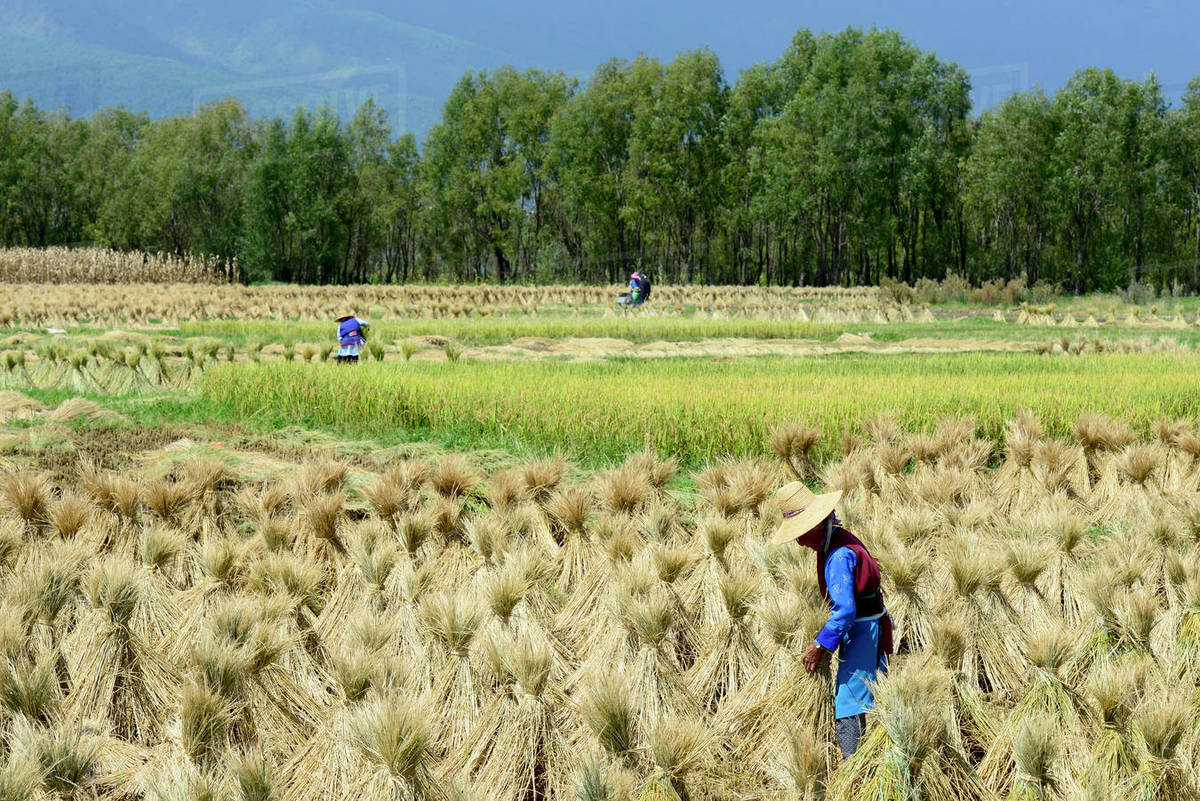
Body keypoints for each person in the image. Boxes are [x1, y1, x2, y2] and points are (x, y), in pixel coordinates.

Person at [771, 480, 892, 759]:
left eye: (801, 533)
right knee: (866, 697)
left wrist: (820, 645)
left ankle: (855, 767)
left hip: (864, 630)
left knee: (849, 703)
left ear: (815, 526)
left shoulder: (838, 555)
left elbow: (846, 610)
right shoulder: (834, 539)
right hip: (866, 625)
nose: (799, 541)